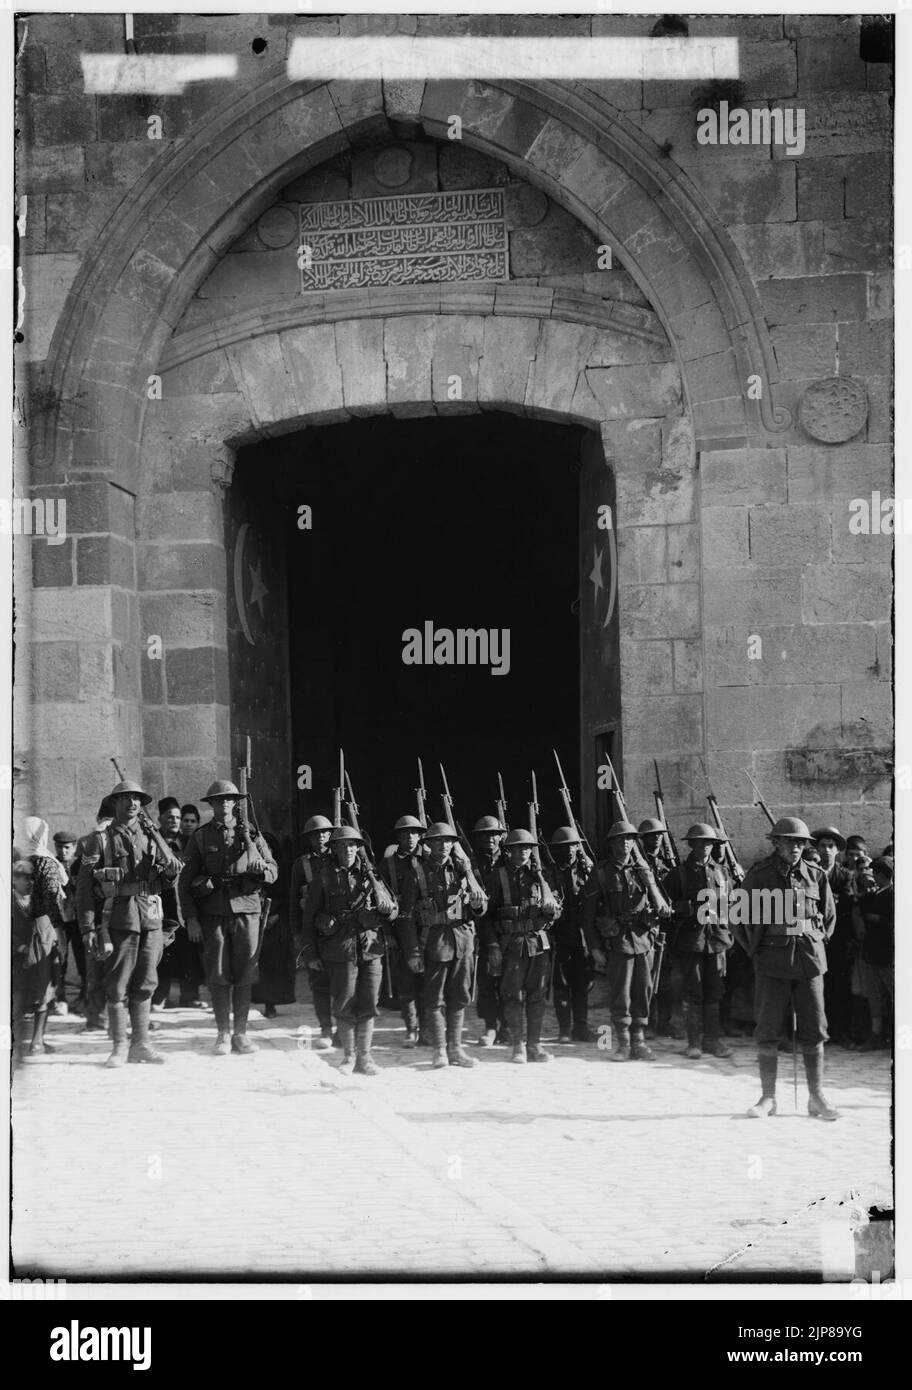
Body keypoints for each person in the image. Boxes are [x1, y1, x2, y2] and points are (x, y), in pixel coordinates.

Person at [76, 782, 184, 1067]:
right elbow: (84, 888)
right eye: (125, 799)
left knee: (147, 982)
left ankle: (141, 1044)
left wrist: (172, 873)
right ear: (115, 804)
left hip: (150, 918)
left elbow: (165, 879)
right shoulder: (99, 840)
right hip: (119, 919)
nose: (132, 804)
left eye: (136, 799)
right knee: (117, 983)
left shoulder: (152, 838)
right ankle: (120, 1045)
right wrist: (87, 927)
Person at [738, 817, 838, 1120]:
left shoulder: (816, 875)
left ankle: (816, 1097)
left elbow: (829, 916)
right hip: (772, 961)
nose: (796, 847)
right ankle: (768, 1098)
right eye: (789, 841)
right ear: (776, 843)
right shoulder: (759, 875)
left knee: (815, 1029)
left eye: (800, 842)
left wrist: (816, 939)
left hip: (809, 960)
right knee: (767, 1029)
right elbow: (739, 917)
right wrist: (755, 949)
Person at [179, 780, 277, 1055]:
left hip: (247, 910)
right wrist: (191, 919)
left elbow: (273, 872)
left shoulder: (253, 835)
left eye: (229, 800)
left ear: (236, 804)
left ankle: (241, 1034)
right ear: (210, 805)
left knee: (245, 973)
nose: (224, 805)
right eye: (218, 800)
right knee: (218, 974)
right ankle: (223, 1032)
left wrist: (259, 869)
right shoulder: (200, 837)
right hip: (213, 914)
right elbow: (184, 883)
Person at [298, 825, 398, 1076]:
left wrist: (386, 909)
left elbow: (393, 910)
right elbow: (309, 918)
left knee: (369, 1003)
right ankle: (349, 1056)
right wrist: (310, 954)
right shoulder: (324, 877)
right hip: (340, 949)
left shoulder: (371, 875)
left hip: (370, 947)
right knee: (344, 1003)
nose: (348, 850)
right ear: (333, 849)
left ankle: (365, 1057)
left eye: (353, 845)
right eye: (342, 846)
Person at [398, 822, 487, 1068]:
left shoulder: (464, 870)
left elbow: (479, 906)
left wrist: (479, 904)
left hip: (463, 941)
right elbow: (406, 917)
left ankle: (456, 1049)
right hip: (434, 943)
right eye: (438, 841)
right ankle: (439, 1050)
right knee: (434, 999)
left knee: (460, 997)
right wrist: (413, 951)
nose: (444, 845)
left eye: (448, 841)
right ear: (428, 845)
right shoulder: (417, 873)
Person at [581, 820, 670, 1062]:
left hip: (643, 938)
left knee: (644, 989)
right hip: (618, 940)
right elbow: (587, 916)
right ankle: (623, 1043)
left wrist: (659, 909)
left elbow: (661, 902)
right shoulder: (600, 873)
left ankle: (639, 1041)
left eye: (630, 839)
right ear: (612, 844)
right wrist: (595, 947)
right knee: (621, 993)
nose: (626, 843)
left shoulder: (643, 871)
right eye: (621, 839)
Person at [484, 827, 561, 1064]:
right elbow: (486, 917)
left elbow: (557, 910)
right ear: (508, 851)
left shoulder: (543, 876)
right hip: (512, 944)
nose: (524, 852)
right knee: (512, 995)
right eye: (518, 848)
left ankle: (534, 1045)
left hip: (538, 943)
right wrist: (493, 946)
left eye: (528, 847)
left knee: (537, 996)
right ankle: (517, 1045)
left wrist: (553, 911)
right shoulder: (498, 877)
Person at [662, 824, 733, 1060]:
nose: (705, 846)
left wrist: (727, 937)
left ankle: (712, 1040)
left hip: (716, 940)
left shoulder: (722, 873)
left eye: (709, 842)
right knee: (693, 991)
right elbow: (665, 908)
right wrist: (684, 908)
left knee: (714, 991)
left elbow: (731, 907)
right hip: (691, 941)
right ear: (691, 844)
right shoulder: (679, 874)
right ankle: (694, 1042)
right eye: (700, 842)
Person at [12, 821, 65, 1063]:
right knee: (44, 986)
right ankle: (36, 1042)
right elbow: (53, 898)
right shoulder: (47, 863)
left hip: (17, 930)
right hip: (42, 931)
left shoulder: (15, 862)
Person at [381, 815, 429, 1047]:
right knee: (406, 980)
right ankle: (411, 1028)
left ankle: (427, 1027)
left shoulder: (430, 858)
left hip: (429, 926)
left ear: (420, 836)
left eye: (414, 833)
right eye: (405, 833)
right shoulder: (389, 863)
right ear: (398, 836)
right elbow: (379, 899)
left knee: (428, 979)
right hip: (400, 926)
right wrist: (387, 933)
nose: (410, 838)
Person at [289, 815, 336, 1049]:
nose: (320, 838)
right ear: (308, 838)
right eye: (315, 834)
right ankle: (326, 1028)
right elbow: (293, 902)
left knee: (343, 980)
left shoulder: (341, 858)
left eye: (325, 833)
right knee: (319, 981)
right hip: (313, 931)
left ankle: (343, 1026)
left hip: (339, 930)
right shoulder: (302, 864)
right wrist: (298, 934)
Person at [545, 827, 596, 1043]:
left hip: (582, 933)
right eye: (563, 847)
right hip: (559, 933)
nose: (569, 850)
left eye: (573, 845)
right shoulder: (548, 873)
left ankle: (581, 1027)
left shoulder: (587, 871)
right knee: (561, 983)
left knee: (582, 982)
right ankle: (565, 1029)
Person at [812, 827, 856, 1048]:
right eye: (823, 846)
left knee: (839, 987)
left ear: (838, 850)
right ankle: (816, 1032)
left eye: (831, 846)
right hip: (813, 940)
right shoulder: (809, 873)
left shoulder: (845, 875)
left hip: (838, 940)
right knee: (814, 988)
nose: (827, 850)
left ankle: (841, 1032)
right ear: (816, 849)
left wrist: (827, 903)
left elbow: (846, 906)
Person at [638, 817, 681, 1038]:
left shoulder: (669, 863)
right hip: (646, 926)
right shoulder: (638, 864)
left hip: (668, 927)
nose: (656, 838)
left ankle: (664, 1022)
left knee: (665, 978)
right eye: (651, 835)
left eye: (658, 835)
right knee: (645, 976)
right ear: (643, 839)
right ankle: (647, 1021)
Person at [469, 815, 507, 1047]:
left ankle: (508, 1026)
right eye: (484, 835)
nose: (489, 839)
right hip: (483, 927)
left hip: (509, 927)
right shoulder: (471, 864)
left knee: (511, 981)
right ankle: (490, 1026)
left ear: (501, 836)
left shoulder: (509, 860)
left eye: (493, 834)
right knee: (487, 981)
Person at [253, 830, 296, 1018]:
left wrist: (276, 916)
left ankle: (271, 1003)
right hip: (254, 919)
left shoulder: (282, 869)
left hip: (276, 921)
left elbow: (288, 896)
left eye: (269, 847)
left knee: (274, 963)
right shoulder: (251, 866)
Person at [151, 798, 189, 1012]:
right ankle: (160, 996)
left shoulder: (188, 842)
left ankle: (189, 995)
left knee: (188, 950)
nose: (174, 821)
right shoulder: (153, 841)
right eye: (169, 817)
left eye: (177, 817)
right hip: (162, 905)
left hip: (184, 904)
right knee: (163, 953)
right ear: (160, 819)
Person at [853, 857, 893, 1051]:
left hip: (889, 956)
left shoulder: (895, 894)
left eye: (875, 873)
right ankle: (877, 1035)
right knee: (875, 999)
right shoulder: (874, 894)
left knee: (896, 997)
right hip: (873, 954)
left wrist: (878, 918)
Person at [52, 829, 83, 1014]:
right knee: (60, 959)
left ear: (74, 847)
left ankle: (84, 996)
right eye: (60, 847)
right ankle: (60, 997)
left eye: (67, 847)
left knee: (81, 957)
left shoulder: (79, 865)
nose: (63, 851)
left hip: (77, 919)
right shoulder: (51, 864)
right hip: (60, 919)